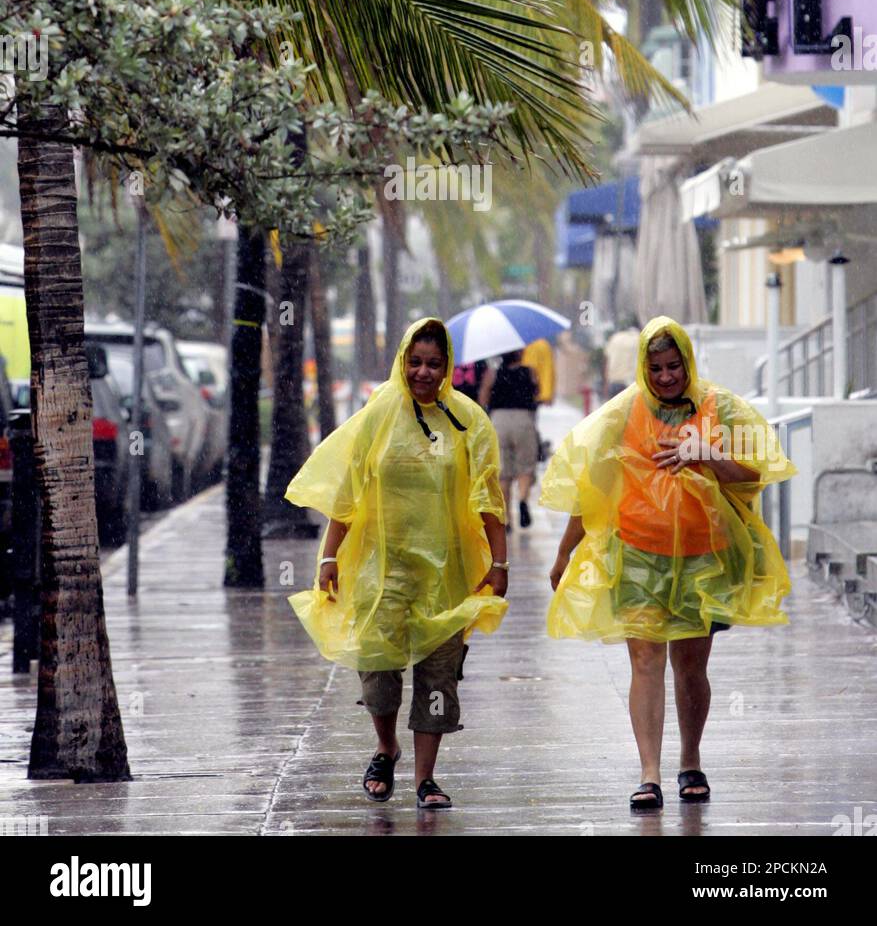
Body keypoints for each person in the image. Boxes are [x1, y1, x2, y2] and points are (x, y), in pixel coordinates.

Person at [541, 316, 796, 811]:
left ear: (687, 361)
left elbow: (754, 473)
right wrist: (564, 550)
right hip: (637, 553)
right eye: (655, 367)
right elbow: (594, 487)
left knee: (690, 665)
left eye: (673, 365)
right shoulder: (623, 413)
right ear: (642, 367)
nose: (664, 377)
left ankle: (691, 760)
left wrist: (708, 455)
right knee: (644, 659)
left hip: (703, 554)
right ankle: (649, 772)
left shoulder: (720, 407)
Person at [285, 318, 509, 810]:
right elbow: (349, 490)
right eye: (416, 362)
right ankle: (386, 747)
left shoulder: (469, 420)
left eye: (434, 363)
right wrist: (329, 555)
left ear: (448, 367)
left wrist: (500, 564)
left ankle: (426, 779)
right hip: (379, 569)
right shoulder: (379, 412)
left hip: (447, 571)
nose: (424, 372)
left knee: (439, 675)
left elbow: (488, 496)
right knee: (378, 668)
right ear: (401, 361)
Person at [479, 349, 540, 529]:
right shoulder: (530, 371)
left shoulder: (493, 373)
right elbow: (537, 393)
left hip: (499, 421)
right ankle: (522, 499)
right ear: (520, 354)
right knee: (525, 467)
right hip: (523, 419)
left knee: (503, 473)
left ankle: (506, 518)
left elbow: (483, 398)